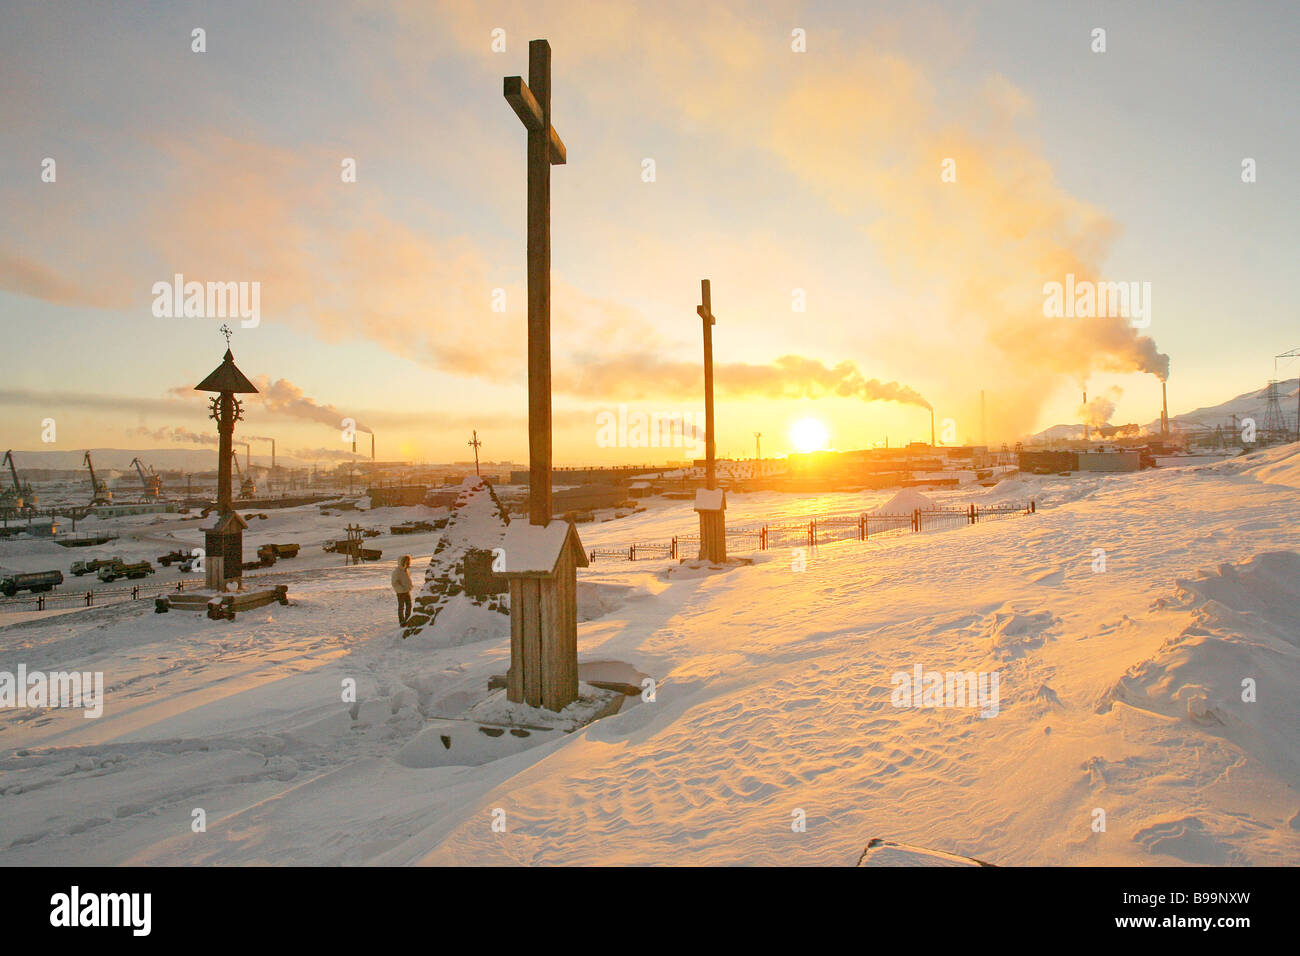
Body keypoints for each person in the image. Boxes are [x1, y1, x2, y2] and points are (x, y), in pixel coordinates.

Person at [392, 554, 413, 628]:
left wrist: (410, 586)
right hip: (401, 592)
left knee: (409, 606)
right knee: (401, 607)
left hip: (407, 591)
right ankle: (402, 622)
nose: (407, 563)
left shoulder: (406, 570)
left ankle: (407, 619)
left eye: (408, 561)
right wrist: (401, 589)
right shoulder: (397, 571)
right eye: (405, 561)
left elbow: (408, 580)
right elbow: (394, 583)